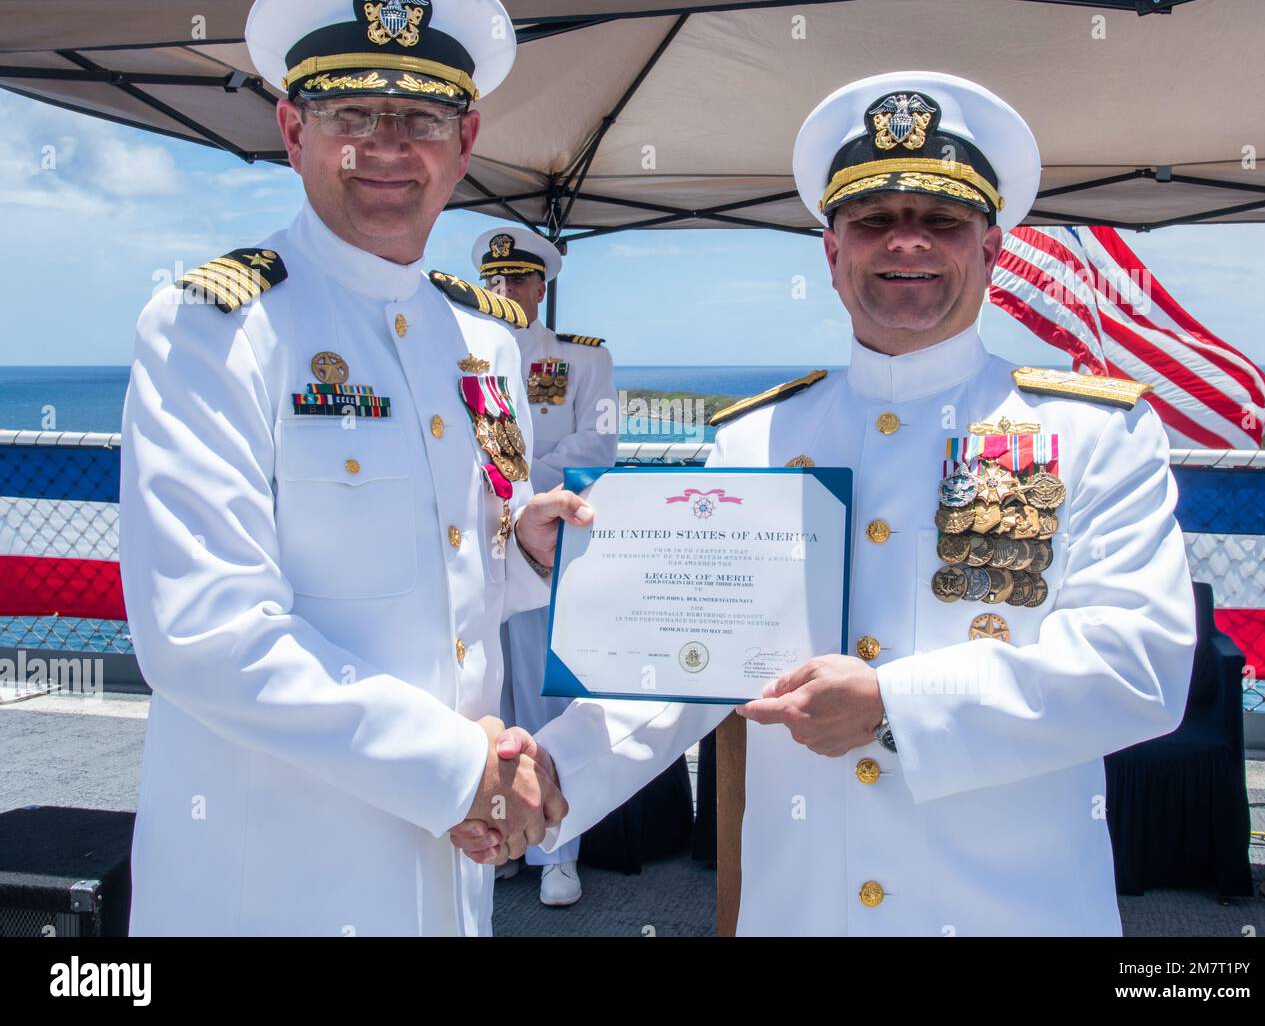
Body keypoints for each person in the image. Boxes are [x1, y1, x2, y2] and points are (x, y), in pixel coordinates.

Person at [452, 71, 1197, 936]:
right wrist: (550, 772)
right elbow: (689, 662)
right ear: (831, 252)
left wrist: (895, 705)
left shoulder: (1096, 433)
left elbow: (1139, 663)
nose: (905, 244)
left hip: (1012, 911)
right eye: (874, 220)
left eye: (941, 220)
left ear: (992, 250)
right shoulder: (756, 438)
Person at [118, 0, 584, 937]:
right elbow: (206, 632)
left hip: (452, 872)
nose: (385, 147)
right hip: (273, 877)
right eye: (350, 116)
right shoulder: (212, 325)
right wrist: (462, 769)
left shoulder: (486, 337)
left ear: (463, 140)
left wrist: (529, 550)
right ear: (294, 131)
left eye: (416, 119)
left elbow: (465, 568)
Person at [474, 225, 618, 905]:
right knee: (481, 693)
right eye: (494, 279)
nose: (505, 290)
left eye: (518, 279)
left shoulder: (582, 360)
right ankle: (498, 839)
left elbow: (601, 440)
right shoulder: (461, 353)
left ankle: (559, 848)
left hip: (545, 542)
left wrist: (519, 484)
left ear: (541, 286)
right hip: (474, 544)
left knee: (543, 691)